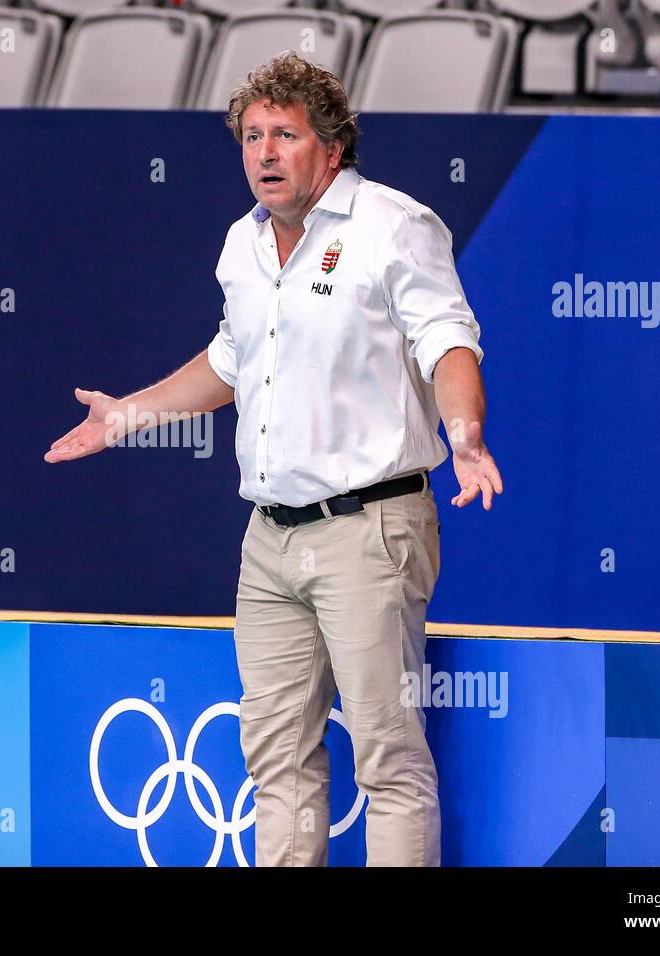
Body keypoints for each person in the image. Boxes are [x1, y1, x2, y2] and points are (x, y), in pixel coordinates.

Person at [45, 51, 502, 867]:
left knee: (387, 760)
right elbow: (232, 358)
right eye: (252, 136)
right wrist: (132, 414)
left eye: (284, 135)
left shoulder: (393, 224)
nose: (263, 152)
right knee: (276, 762)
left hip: (371, 530)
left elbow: (448, 341)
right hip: (269, 543)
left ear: (331, 149)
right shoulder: (242, 245)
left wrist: (465, 436)